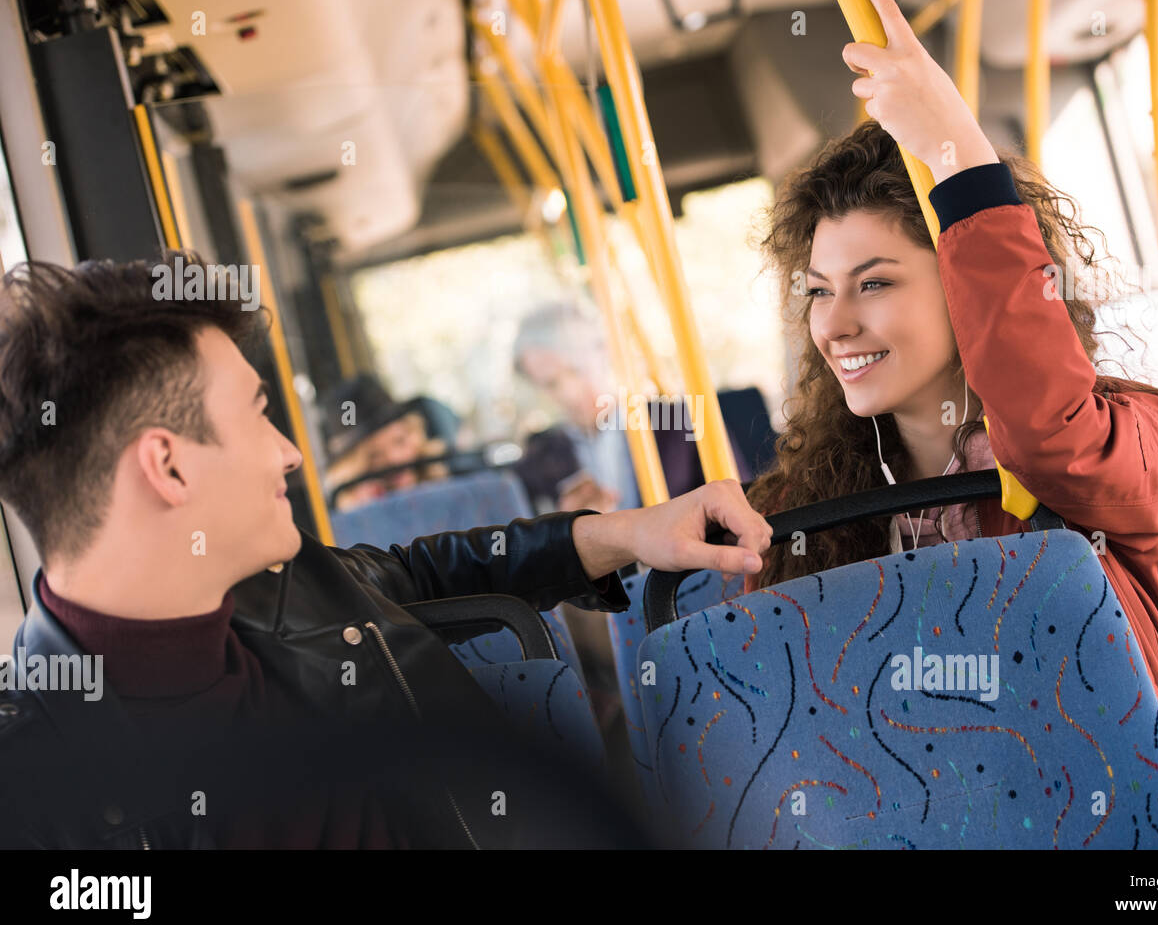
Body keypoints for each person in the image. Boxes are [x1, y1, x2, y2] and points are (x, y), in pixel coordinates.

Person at [0, 253, 772, 848]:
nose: (289, 455)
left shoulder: (282, 585)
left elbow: (428, 572)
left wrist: (626, 531)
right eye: (259, 416)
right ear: (169, 466)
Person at [743, 0, 1158, 849]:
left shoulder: (1129, 438)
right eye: (819, 292)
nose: (835, 325)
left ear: (963, 282)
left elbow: (1049, 437)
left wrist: (954, 149)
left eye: (876, 283)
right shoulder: (803, 523)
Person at [512, 302, 644, 514]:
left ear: (604, 354)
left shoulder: (675, 425)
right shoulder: (537, 459)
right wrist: (567, 528)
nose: (569, 393)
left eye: (576, 371)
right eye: (550, 384)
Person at [321, 373, 452, 511]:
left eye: (400, 441)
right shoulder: (359, 510)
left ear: (415, 435)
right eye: (375, 455)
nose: (394, 459)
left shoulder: (451, 481)